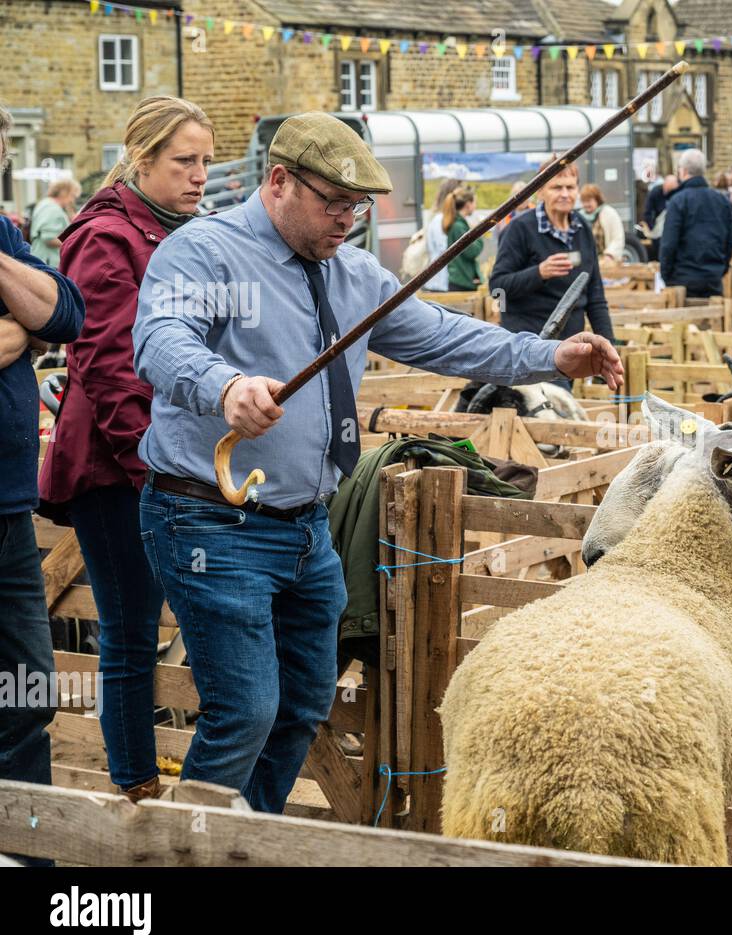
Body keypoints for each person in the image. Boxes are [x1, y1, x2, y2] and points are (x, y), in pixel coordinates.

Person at [131, 113, 622, 813]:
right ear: (278, 181)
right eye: (333, 202)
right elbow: (159, 340)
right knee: (245, 708)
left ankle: (248, 834)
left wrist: (549, 355)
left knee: (303, 702)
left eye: (358, 206)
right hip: (211, 518)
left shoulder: (355, 275)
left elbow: (446, 338)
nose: (348, 220)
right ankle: (189, 849)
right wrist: (224, 385)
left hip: (308, 525)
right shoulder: (206, 254)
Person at [35, 97, 213, 801]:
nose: (200, 175)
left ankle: (197, 780)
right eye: (184, 162)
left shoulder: (186, 230)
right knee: (131, 629)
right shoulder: (105, 236)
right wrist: (156, 469)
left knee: (197, 619)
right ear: (142, 161)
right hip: (117, 466)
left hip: (172, 458)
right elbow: (108, 363)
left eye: (206, 161)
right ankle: (136, 786)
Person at [0, 104, 86, 841]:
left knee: (26, 689)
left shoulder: (3, 232)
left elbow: (67, 315)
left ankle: (25, 847)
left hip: (6, 507)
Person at [490, 158, 615, 372]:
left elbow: (595, 297)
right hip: (529, 349)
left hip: (570, 350)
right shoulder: (520, 229)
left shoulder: (582, 230)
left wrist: (608, 346)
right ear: (540, 191)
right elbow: (497, 288)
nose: (565, 194)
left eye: (570, 187)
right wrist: (539, 273)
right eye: (556, 187)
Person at [659, 148, 732, 297]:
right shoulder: (721, 201)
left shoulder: (678, 201)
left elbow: (669, 243)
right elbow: (730, 242)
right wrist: (720, 270)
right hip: (713, 278)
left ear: (684, 171)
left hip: (683, 280)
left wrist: (667, 276)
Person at [28, 178, 81, 269]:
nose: (72, 201)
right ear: (64, 192)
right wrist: (75, 241)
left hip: (42, 259)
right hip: (48, 262)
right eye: (73, 196)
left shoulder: (46, 204)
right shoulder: (52, 209)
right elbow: (49, 239)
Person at [423, 177, 462, 292]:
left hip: (441, 281)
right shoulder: (440, 220)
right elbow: (445, 250)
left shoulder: (442, 219)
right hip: (441, 283)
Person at [442, 186, 483, 293]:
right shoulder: (458, 227)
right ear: (468, 205)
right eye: (474, 202)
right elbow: (472, 251)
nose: (475, 206)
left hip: (460, 280)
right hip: (461, 282)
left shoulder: (458, 225)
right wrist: (479, 233)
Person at [578, 184, 625, 264]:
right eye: (584, 201)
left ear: (597, 200)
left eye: (589, 201)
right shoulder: (579, 216)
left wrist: (610, 255)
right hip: (585, 262)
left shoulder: (609, 213)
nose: (586, 205)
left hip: (605, 261)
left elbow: (618, 238)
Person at [639, 173, 676, 259]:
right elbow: (647, 211)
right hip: (658, 227)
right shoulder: (655, 192)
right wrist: (652, 228)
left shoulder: (677, 192)